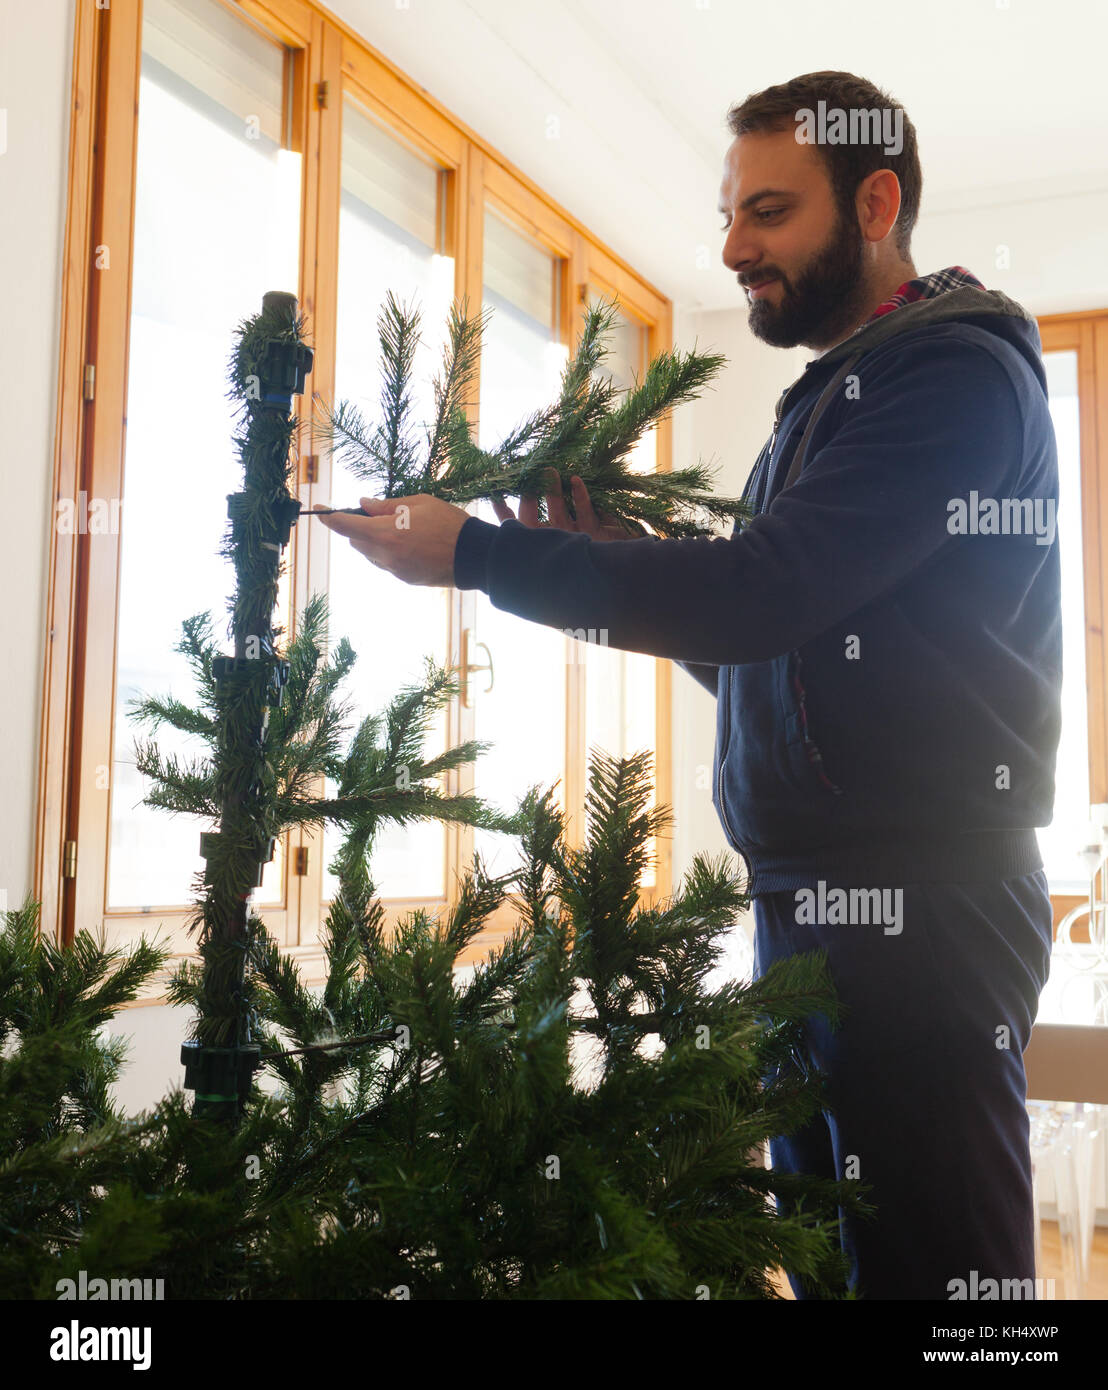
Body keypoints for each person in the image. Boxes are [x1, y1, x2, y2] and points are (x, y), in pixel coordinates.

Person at [316, 70, 1062, 1301]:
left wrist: (479, 556)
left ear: (874, 202)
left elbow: (767, 587)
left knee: (941, 1281)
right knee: (830, 1260)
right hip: (812, 897)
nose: (733, 248)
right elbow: (779, 640)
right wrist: (626, 573)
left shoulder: (950, 379)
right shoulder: (838, 392)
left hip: (920, 907)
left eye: (767, 213)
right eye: (729, 216)